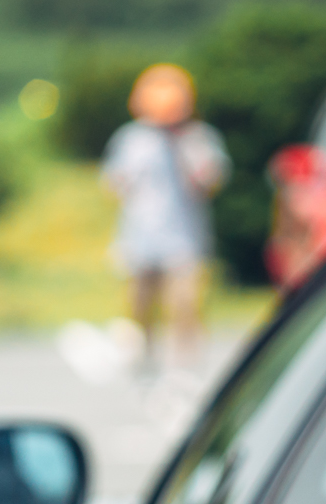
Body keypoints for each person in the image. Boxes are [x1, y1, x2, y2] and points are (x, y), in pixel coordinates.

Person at [102, 65, 228, 375]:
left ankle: (188, 363)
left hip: (184, 237)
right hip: (141, 236)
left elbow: (211, 181)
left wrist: (183, 147)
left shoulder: (197, 137)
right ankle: (144, 358)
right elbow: (113, 182)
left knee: (185, 304)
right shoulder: (131, 138)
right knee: (140, 305)